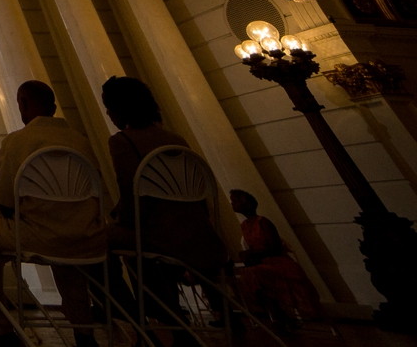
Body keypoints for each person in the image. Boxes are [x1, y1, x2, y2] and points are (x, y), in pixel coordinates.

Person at [102, 75, 226, 339]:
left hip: (161, 236)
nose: (109, 114)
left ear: (119, 109)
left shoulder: (122, 141)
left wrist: (119, 219)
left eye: (110, 107)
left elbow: (131, 193)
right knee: (135, 248)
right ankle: (165, 312)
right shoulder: (176, 139)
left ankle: (128, 309)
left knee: (97, 239)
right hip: (199, 234)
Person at [0, 80, 103, 347]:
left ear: (24, 104)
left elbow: (4, 201)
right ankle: (84, 333)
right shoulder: (81, 141)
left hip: (36, 236)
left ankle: (1, 330)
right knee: (67, 255)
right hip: (84, 239)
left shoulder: (18, 141)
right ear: (53, 106)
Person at [229, 189, 318, 330]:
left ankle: (278, 315)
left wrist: (253, 254)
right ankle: (276, 314)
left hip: (277, 262)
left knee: (254, 275)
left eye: (235, 201)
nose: (232, 204)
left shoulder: (263, 222)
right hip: (262, 262)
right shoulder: (245, 225)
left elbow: (274, 247)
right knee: (249, 275)